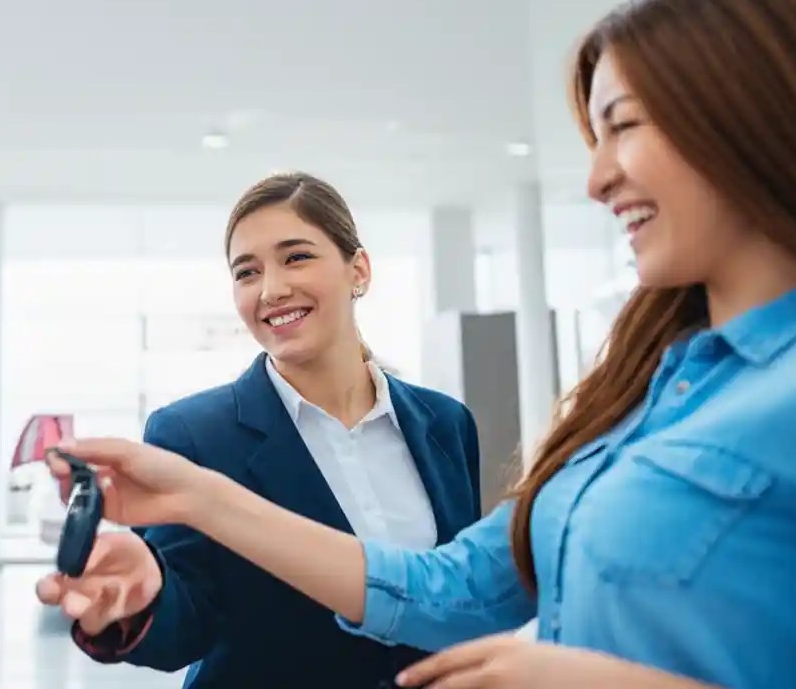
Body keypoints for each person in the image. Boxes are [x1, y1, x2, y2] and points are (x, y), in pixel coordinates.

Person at [40, 0, 796, 687]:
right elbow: (448, 589)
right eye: (246, 271)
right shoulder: (645, 392)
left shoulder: (444, 422)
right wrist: (196, 502)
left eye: (624, 125)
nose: (594, 178)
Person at [36, 172, 485, 687]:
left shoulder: (446, 425)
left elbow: (460, 599)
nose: (271, 290)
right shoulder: (193, 434)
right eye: (246, 272)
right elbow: (189, 619)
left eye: (296, 257)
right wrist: (146, 600)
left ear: (357, 269)